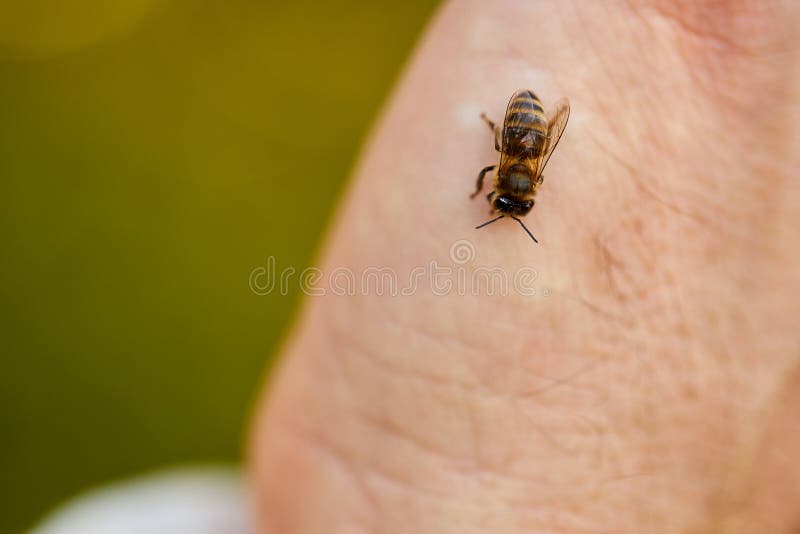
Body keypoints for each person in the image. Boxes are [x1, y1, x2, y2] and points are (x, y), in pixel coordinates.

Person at [249, 1, 800, 532]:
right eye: (511, 203)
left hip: (519, 120)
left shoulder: (515, 167)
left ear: (524, 182)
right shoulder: (523, 167)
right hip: (522, 121)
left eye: (504, 202)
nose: (505, 202)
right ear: (528, 185)